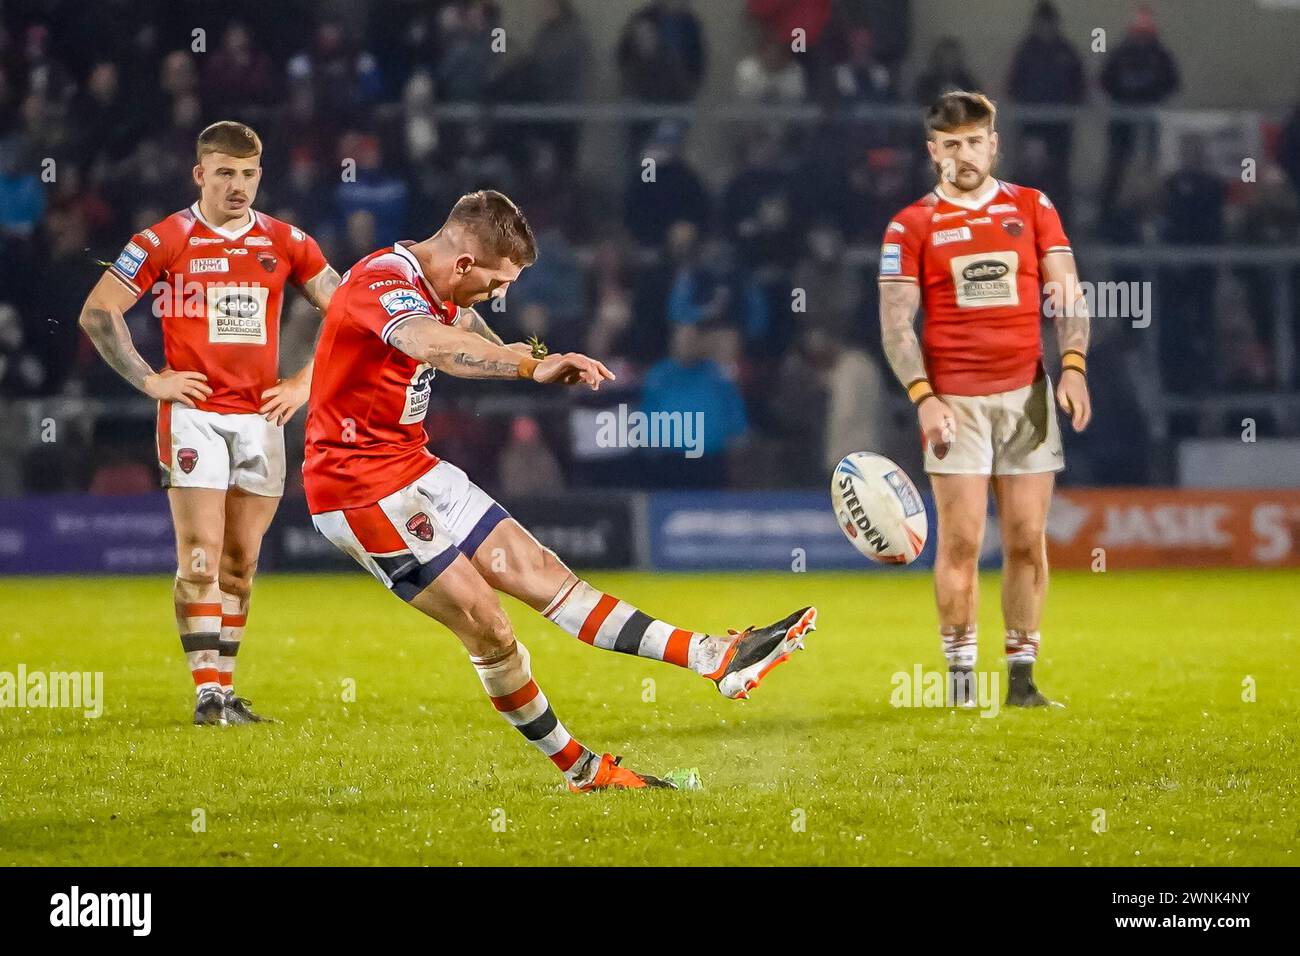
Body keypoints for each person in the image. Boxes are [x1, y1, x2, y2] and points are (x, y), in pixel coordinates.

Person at [303, 190, 815, 791]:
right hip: (357, 490)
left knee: (549, 578)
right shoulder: (383, 280)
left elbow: (465, 331)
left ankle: (712, 657)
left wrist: (533, 354)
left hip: (413, 467)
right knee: (491, 628)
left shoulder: (439, 288)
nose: (502, 296)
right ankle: (581, 770)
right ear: (465, 264)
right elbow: (430, 343)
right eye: (501, 282)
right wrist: (525, 366)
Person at [78, 121, 340, 726]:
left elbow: (350, 312)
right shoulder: (164, 239)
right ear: (200, 174)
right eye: (225, 173)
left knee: (240, 564)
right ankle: (206, 695)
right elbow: (98, 313)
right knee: (199, 554)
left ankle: (225, 692)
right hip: (194, 416)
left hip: (261, 417)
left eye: (249, 174)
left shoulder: (287, 242)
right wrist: (151, 381)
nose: (238, 185)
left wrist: (302, 383)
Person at [877, 91, 1092, 708]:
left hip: (1027, 396)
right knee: (963, 541)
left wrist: (1073, 367)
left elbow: (1068, 295)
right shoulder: (911, 224)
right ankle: (962, 685)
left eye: (974, 141)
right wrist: (923, 397)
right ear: (932, 151)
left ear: (994, 143)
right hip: (956, 404)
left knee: (1027, 538)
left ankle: (1022, 682)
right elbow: (896, 324)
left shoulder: (1032, 206)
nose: (964, 154)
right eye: (950, 144)